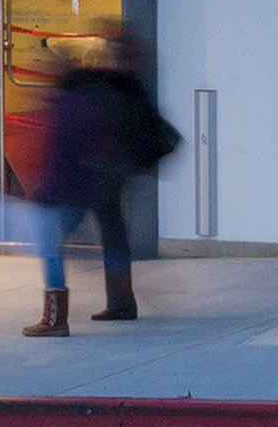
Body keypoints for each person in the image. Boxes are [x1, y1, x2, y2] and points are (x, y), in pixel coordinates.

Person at [15, 20, 168, 334]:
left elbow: (67, 145)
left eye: (112, 51)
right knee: (112, 233)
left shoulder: (97, 88)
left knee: (55, 236)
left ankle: (58, 317)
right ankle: (121, 302)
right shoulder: (120, 85)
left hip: (93, 177)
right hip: (108, 174)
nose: (107, 57)